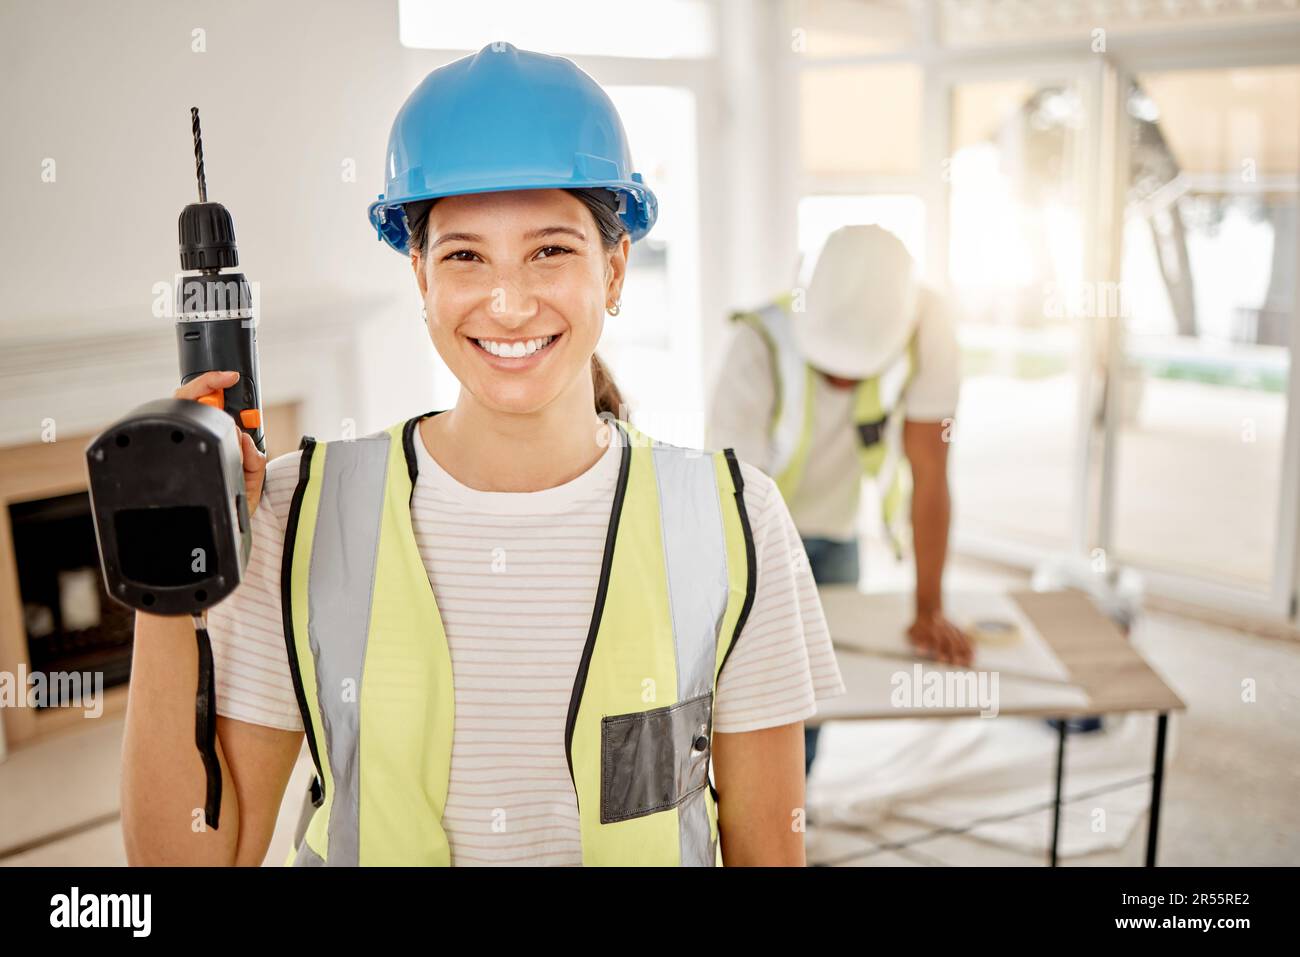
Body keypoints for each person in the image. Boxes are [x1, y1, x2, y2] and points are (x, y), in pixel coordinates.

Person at [120, 43, 844, 867]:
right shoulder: (297, 513)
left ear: (614, 269)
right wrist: (168, 583)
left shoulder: (733, 520)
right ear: (421, 276)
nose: (509, 301)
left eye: (551, 250)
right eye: (465, 254)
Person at [709, 224, 971, 777]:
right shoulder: (756, 344)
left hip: (837, 530)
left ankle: (790, 824)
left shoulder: (931, 327)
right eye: (832, 365)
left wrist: (929, 609)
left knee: (813, 700)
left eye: (861, 369)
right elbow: (732, 500)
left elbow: (930, 473)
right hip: (755, 532)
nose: (845, 381)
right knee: (758, 689)